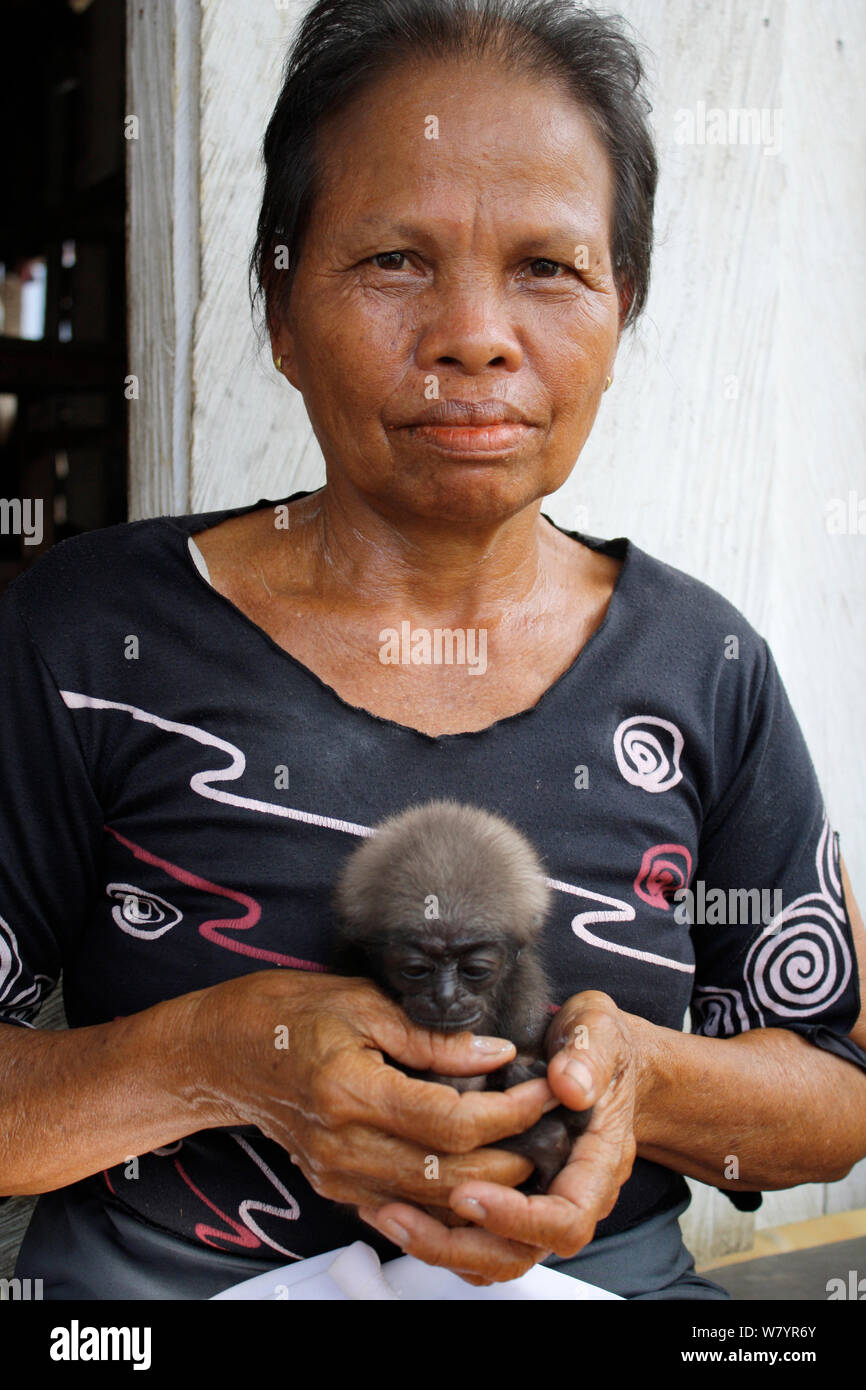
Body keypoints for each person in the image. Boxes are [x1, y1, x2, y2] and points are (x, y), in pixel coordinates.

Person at [3, 0, 866, 1301]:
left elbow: (836, 1086)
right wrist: (215, 1056)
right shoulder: (80, 637)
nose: (473, 332)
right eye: (394, 259)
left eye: (549, 267)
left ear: (620, 309)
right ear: (280, 308)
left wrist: (639, 1071)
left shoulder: (705, 668)